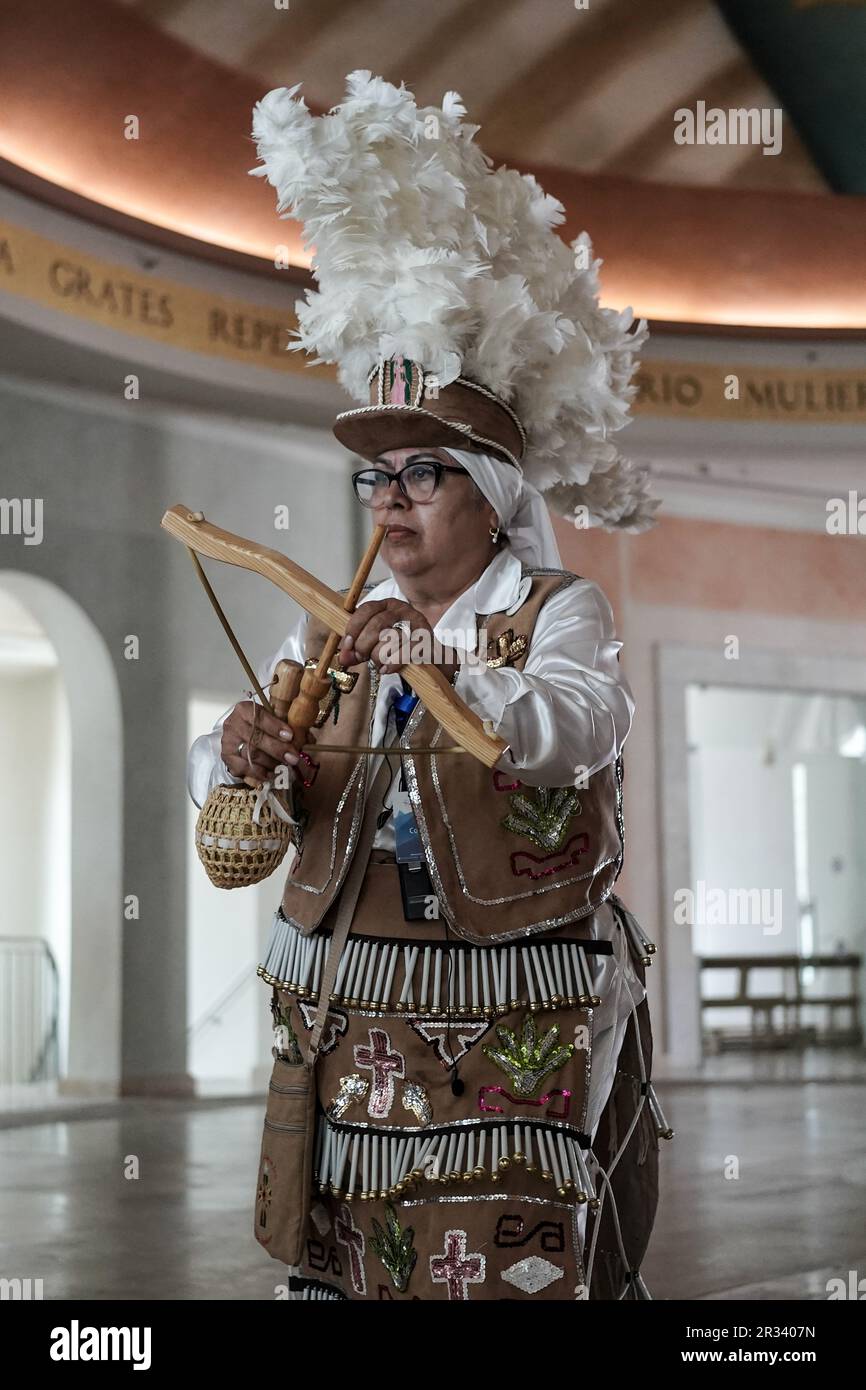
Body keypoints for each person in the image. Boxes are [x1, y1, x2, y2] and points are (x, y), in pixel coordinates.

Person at [187, 70, 670, 1300]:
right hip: (345, 993)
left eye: (420, 474)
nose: (389, 501)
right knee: (351, 1251)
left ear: (491, 495)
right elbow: (255, 770)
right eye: (378, 479)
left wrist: (442, 659)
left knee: (495, 1249)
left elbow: (578, 729)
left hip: (512, 988)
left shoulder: (559, 611)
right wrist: (238, 748)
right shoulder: (338, 625)